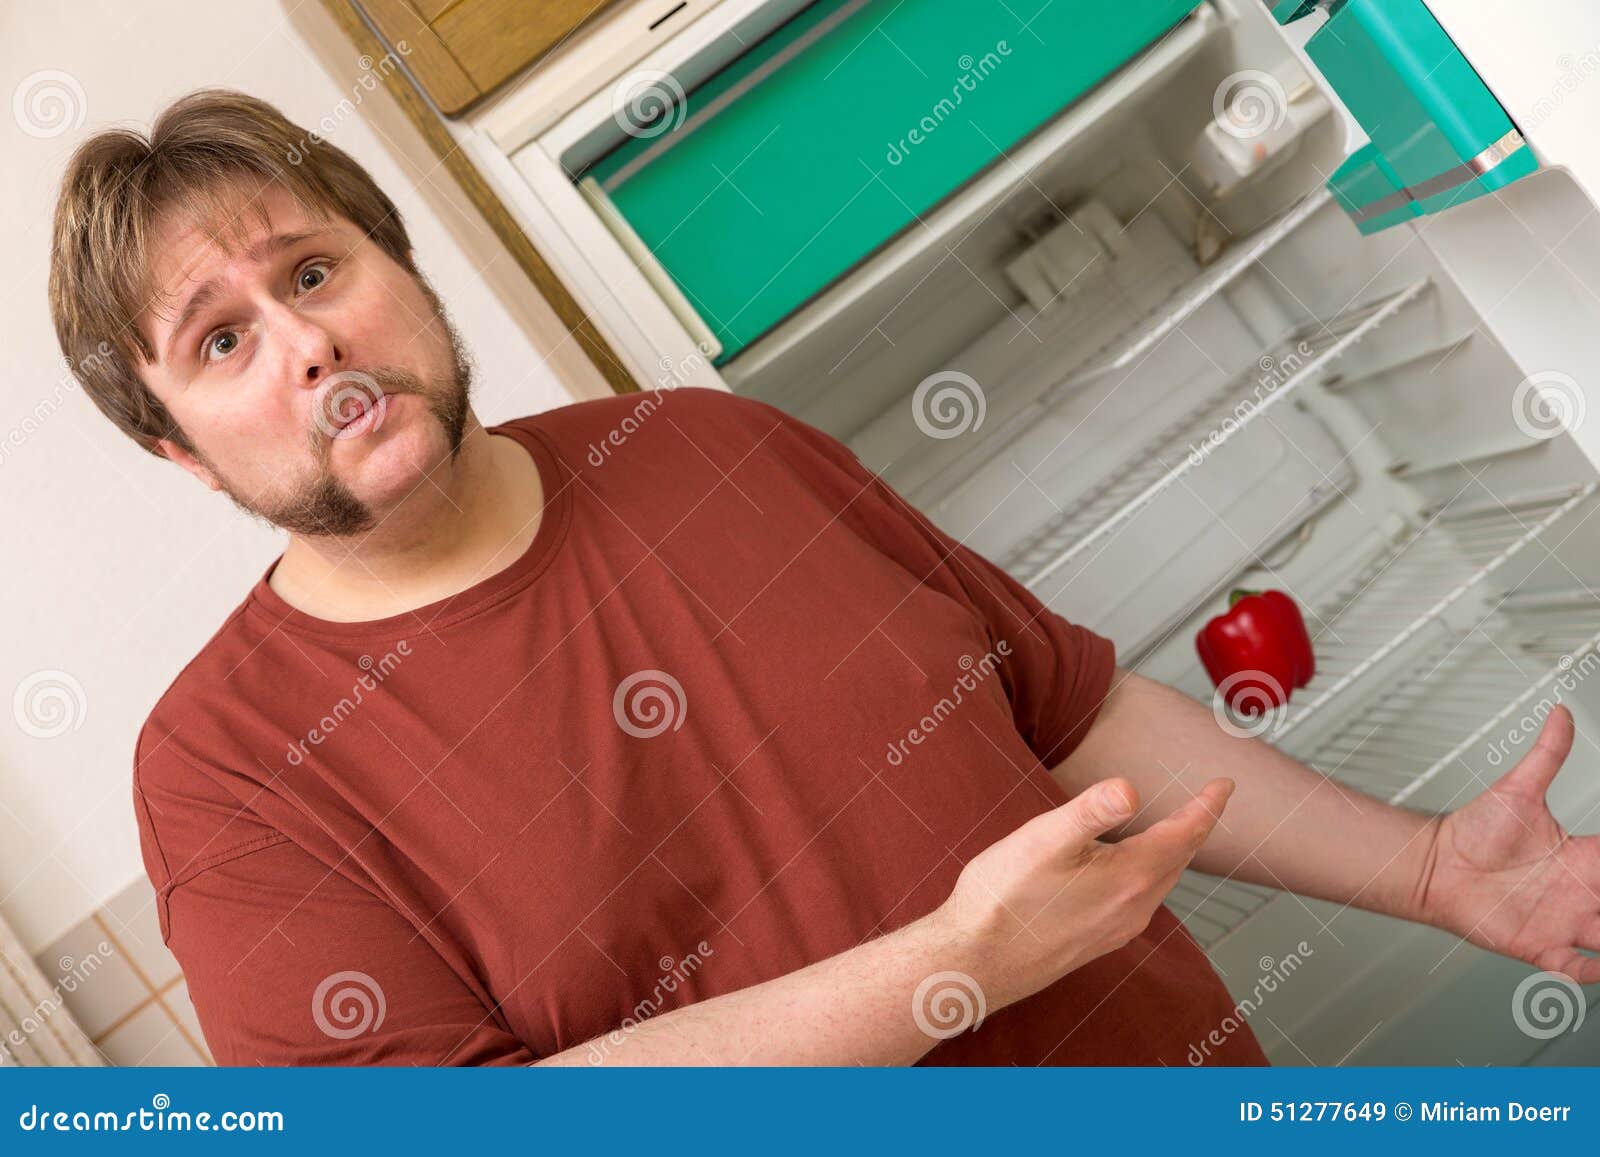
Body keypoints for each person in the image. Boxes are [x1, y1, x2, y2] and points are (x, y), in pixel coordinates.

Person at [47, 89, 1600, 1066]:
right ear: (177, 445)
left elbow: (1069, 716)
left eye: (315, 271)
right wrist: (951, 970)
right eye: (224, 340)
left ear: (400, 273)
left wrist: (1426, 871)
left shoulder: (711, 450)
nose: (308, 342)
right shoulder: (229, 774)